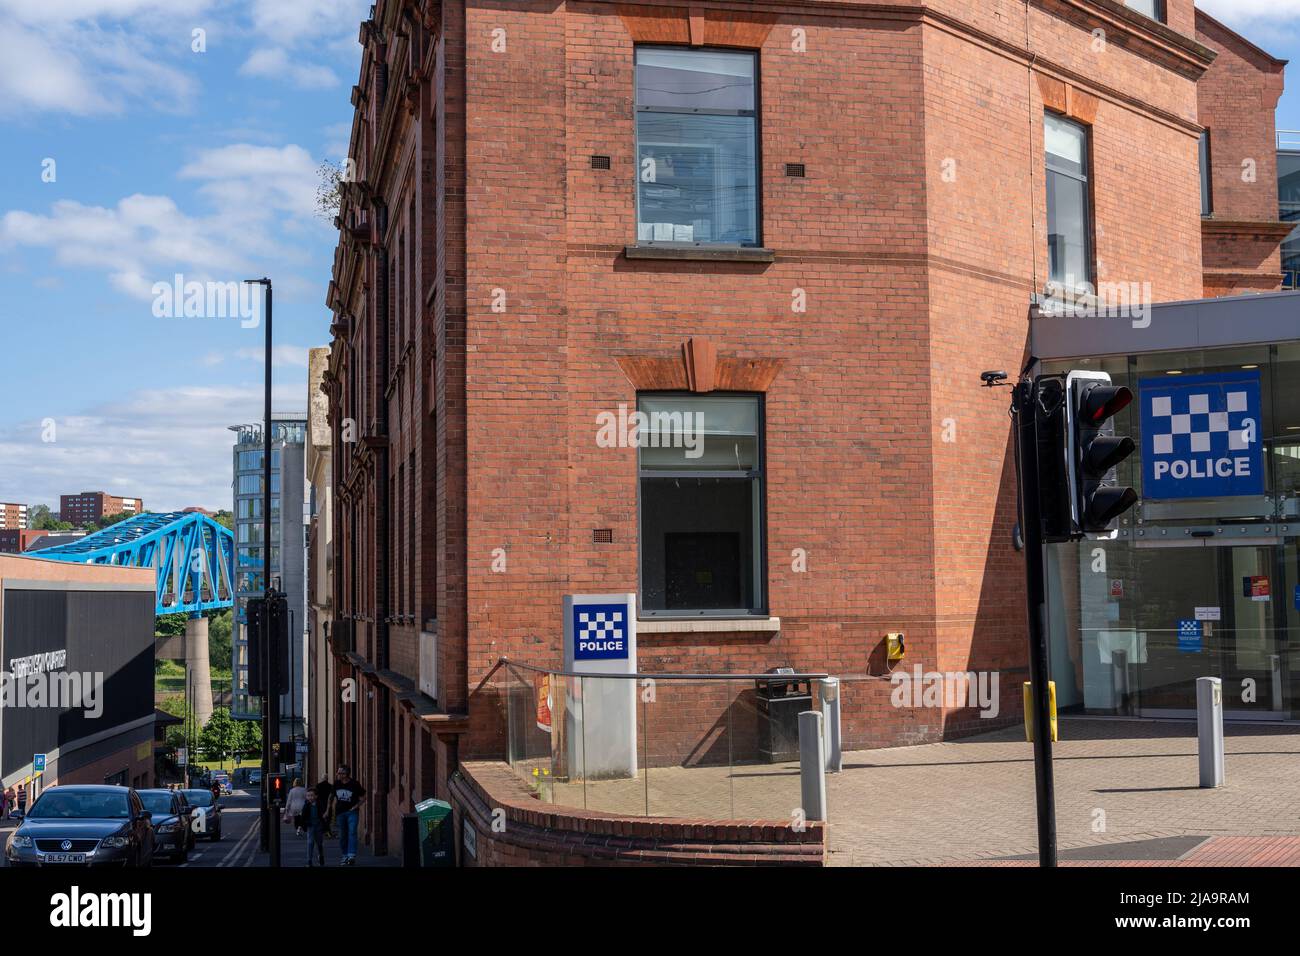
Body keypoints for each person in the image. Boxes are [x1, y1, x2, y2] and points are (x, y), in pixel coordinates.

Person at [332, 765, 365, 866]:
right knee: (343, 835)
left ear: (345, 774)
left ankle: (351, 855)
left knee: (352, 832)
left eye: (340, 773)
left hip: (352, 812)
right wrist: (329, 809)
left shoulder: (354, 784)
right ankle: (345, 855)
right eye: (338, 772)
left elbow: (363, 797)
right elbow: (331, 796)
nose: (337, 774)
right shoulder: (336, 783)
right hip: (340, 813)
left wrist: (356, 806)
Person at [300, 788, 326, 866]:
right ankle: (309, 861)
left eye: (312, 795)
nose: (310, 797)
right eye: (308, 796)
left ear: (316, 796)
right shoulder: (306, 805)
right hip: (310, 826)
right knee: (310, 843)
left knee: (319, 843)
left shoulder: (320, 804)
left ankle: (321, 856)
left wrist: (325, 826)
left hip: (319, 826)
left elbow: (323, 815)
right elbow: (303, 817)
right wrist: (302, 826)